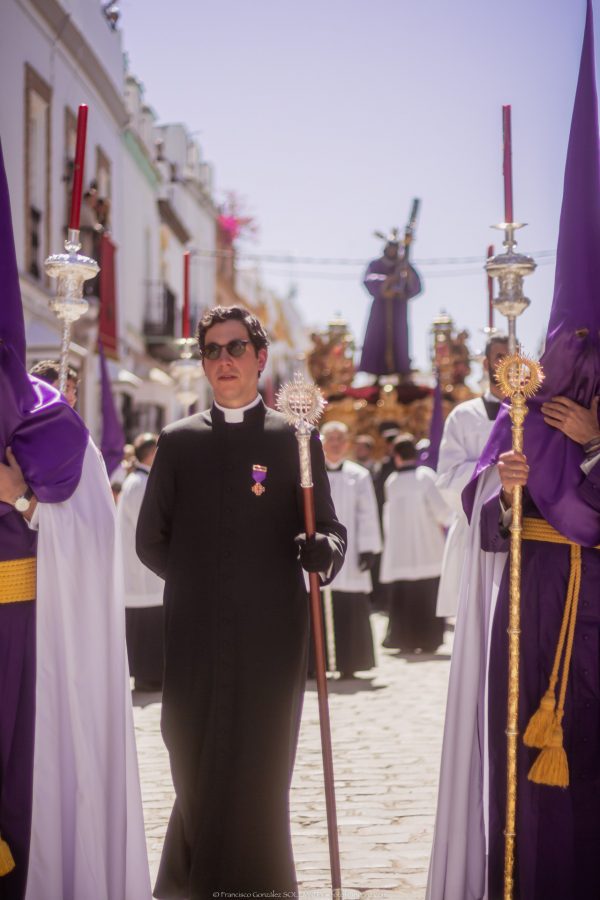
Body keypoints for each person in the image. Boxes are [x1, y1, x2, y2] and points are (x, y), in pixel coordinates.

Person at [428, 7, 600, 896]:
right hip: (530, 600)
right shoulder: (521, 399)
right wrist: (511, 483)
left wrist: (595, 448)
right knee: (527, 763)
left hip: (596, 592)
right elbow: (475, 510)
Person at [136, 305, 347, 897]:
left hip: (271, 639)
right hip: (194, 635)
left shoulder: (294, 439)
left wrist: (320, 551)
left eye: (234, 349)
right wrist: (201, 586)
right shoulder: (177, 442)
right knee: (193, 761)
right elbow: (150, 539)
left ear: (260, 358)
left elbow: (331, 529)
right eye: (211, 350)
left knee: (258, 769)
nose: (223, 361)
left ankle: (254, 889)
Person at [0, 140, 150, 900]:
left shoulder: (50, 420)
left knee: (26, 783)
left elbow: (87, 532)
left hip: (22, 639)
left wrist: (25, 499)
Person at [435, 334, 508, 617]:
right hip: (476, 526)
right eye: (499, 357)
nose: (506, 364)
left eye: (513, 355)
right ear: (486, 362)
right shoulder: (463, 416)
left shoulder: (534, 413)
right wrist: (497, 471)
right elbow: (447, 476)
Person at [379, 434, 452, 653]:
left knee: (406, 596)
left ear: (397, 456)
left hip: (400, 550)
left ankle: (405, 639)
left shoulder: (391, 481)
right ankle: (429, 639)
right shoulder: (425, 476)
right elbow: (441, 511)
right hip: (427, 546)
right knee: (428, 595)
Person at [320, 421, 381, 678]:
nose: (335, 443)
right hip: (318, 552)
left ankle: (350, 663)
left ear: (347, 444)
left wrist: (369, 548)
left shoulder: (359, 475)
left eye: (340, 438)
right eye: (330, 438)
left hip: (351, 550)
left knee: (350, 606)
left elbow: (367, 513)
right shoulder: (309, 473)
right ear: (321, 442)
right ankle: (317, 666)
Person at [117, 432, 164, 692]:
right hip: (142, 574)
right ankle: (149, 676)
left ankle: (152, 674)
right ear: (152, 454)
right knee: (147, 627)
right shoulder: (140, 483)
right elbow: (147, 525)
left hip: (143, 574)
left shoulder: (140, 481)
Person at [358, 229, 422, 378]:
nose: (393, 250)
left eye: (395, 248)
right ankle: (376, 374)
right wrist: (388, 281)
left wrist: (407, 275)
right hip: (380, 308)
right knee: (377, 338)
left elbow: (415, 286)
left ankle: (401, 372)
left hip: (398, 309)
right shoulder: (376, 264)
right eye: (390, 247)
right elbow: (369, 280)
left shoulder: (404, 265)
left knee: (399, 338)